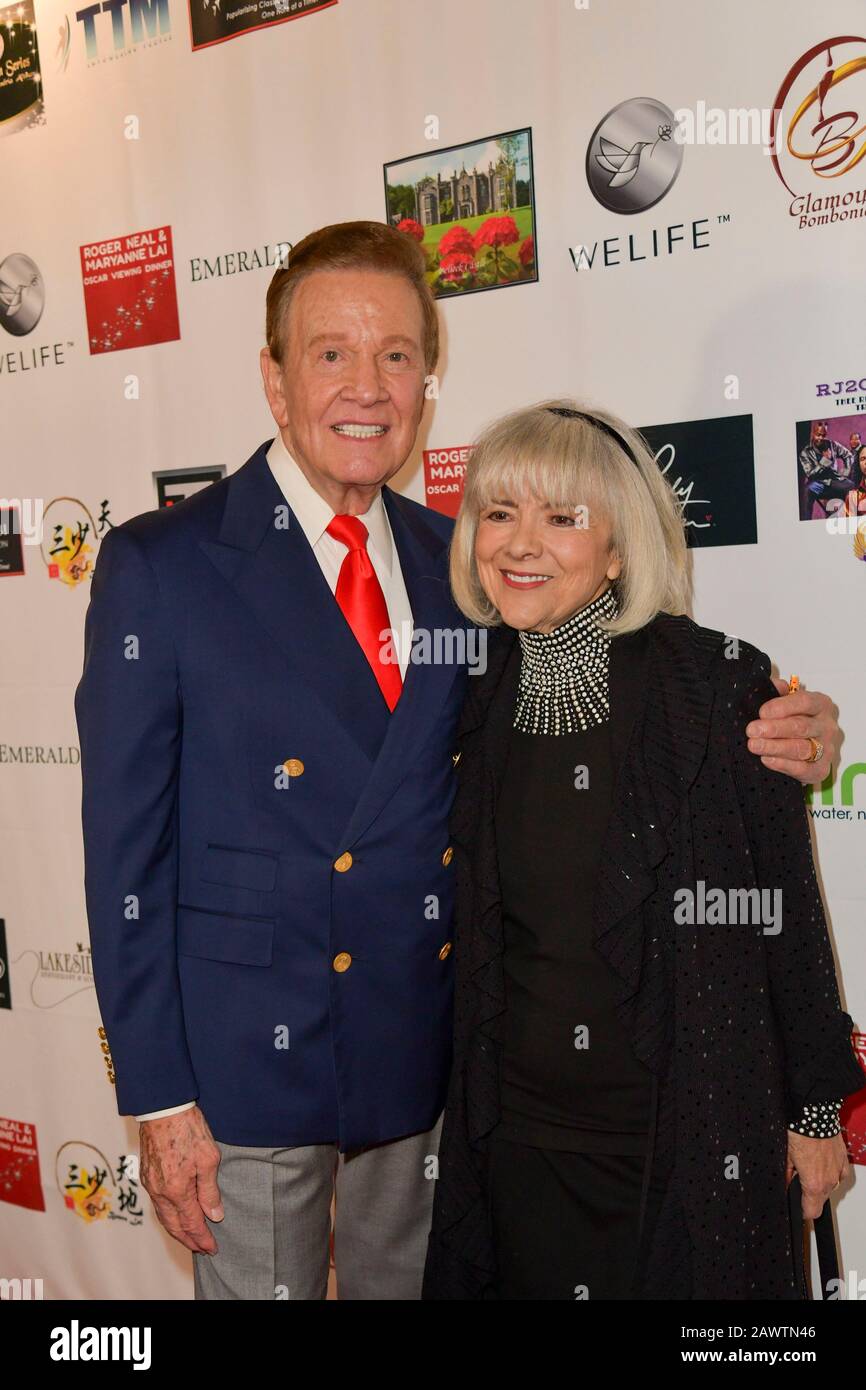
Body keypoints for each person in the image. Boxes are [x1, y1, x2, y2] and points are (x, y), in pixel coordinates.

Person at [74, 221, 844, 1302]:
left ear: (425, 384)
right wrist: (156, 1098)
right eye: (330, 353)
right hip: (243, 1067)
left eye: (396, 354)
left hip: (429, 1066)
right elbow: (124, 854)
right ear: (273, 379)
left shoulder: (461, 571)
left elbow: (666, 753)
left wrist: (792, 729)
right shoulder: (163, 565)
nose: (367, 384)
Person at [423, 400, 864, 1301]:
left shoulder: (714, 684)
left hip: (686, 1138)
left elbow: (781, 907)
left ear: (619, 550)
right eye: (500, 513)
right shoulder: (473, 690)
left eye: (562, 517)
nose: (520, 543)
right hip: (517, 1143)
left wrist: (816, 1110)